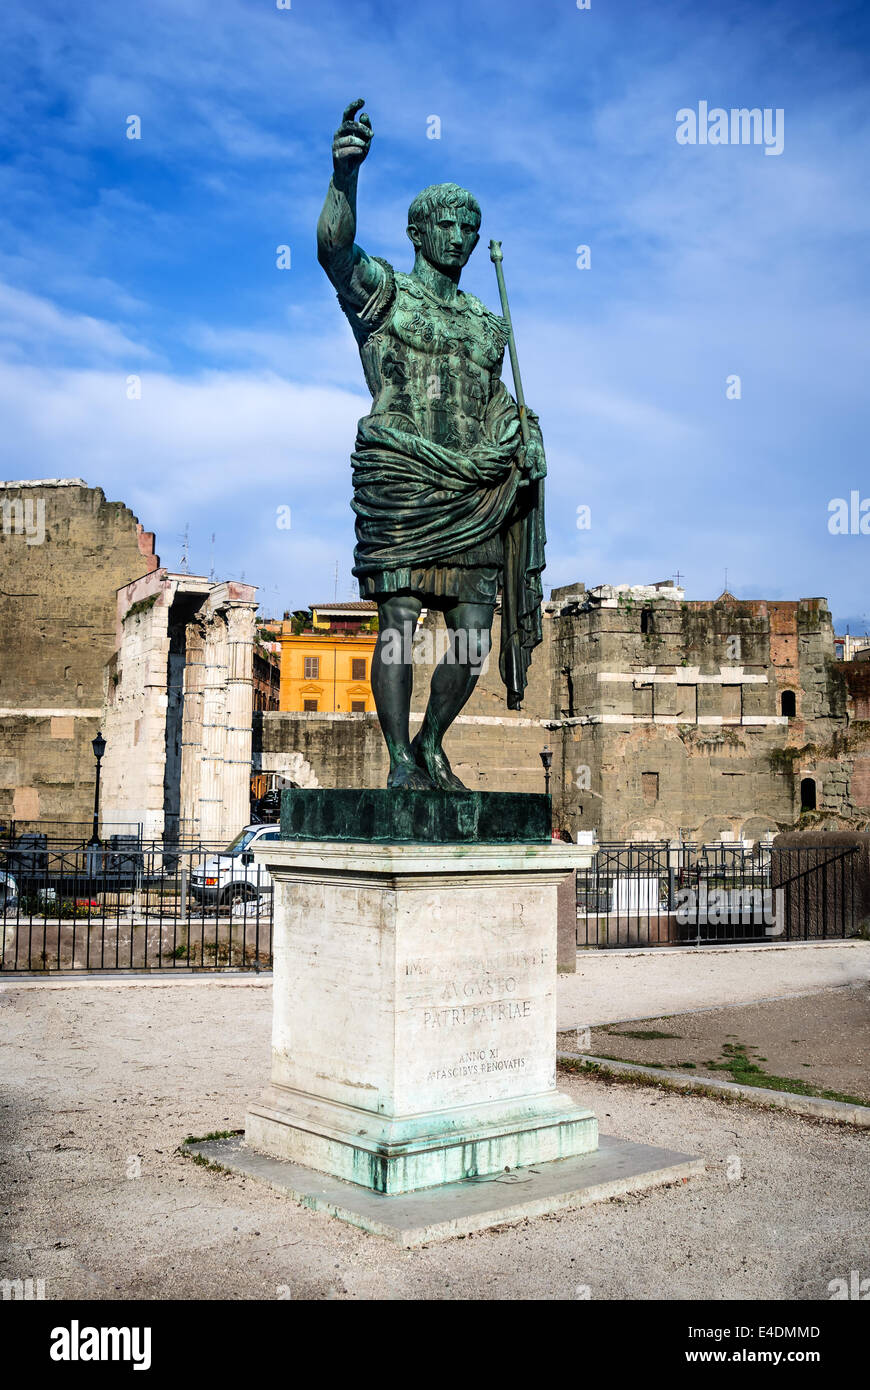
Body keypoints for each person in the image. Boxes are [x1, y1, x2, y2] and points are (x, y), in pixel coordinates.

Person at [317, 100, 546, 789]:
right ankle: (395, 762)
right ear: (417, 231)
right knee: (400, 618)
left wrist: (525, 437)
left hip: (472, 491)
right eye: (445, 224)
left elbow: (497, 406)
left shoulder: (487, 324)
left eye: (469, 227)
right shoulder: (385, 295)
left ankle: (432, 742)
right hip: (403, 477)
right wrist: (344, 175)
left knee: (475, 628)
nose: (459, 236)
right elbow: (333, 249)